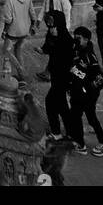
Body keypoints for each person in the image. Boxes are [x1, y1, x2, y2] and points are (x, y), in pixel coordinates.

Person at [67, 25, 103, 156]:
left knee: (80, 116)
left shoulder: (89, 57)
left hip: (86, 95)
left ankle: (88, 144)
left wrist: (87, 89)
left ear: (86, 39)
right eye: (75, 38)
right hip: (78, 92)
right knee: (83, 117)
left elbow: (100, 79)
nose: (76, 41)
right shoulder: (77, 51)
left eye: (78, 38)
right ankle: (84, 143)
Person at [40, 10, 74, 142]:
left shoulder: (66, 39)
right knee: (62, 105)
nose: (51, 28)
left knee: (50, 102)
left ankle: (57, 132)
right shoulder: (51, 34)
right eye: (49, 25)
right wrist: (42, 50)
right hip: (55, 74)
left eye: (53, 25)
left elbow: (68, 60)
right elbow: (48, 47)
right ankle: (69, 132)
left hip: (63, 76)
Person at [1, 0, 35, 78]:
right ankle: (21, 75)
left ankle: (10, 74)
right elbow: (32, 13)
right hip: (24, 30)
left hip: (13, 31)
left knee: (6, 53)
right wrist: (32, 26)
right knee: (18, 51)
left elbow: (8, 18)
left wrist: (4, 31)